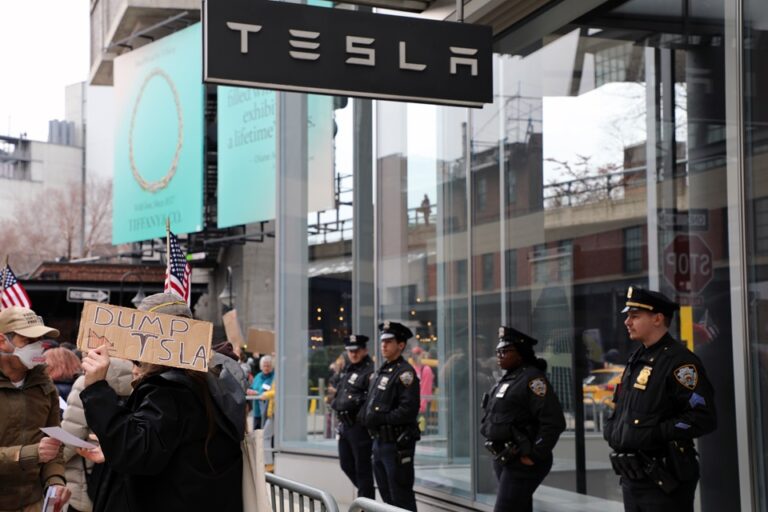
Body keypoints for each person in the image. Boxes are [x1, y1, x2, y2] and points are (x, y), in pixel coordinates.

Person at [77, 293, 244, 512]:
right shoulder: (209, 382)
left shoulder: (171, 391)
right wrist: (113, 448)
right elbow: (165, 447)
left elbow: (136, 451)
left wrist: (97, 389)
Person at [604, 287, 717, 512]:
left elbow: (702, 417)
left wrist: (655, 433)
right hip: (633, 477)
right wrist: (612, 428)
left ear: (657, 318)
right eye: (628, 316)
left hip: (663, 478)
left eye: (635, 316)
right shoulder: (637, 358)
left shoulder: (680, 362)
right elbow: (623, 406)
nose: (627, 321)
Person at [480, 326, 565, 512]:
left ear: (520, 353)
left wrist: (535, 454)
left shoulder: (533, 380)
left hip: (522, 460)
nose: (499, 356)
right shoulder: (508, 379)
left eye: (505, 351)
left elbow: (554, 421)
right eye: (498, 351)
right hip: (504, 458)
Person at [0, 306, 71, 511]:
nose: (38, 347)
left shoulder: (44, 385)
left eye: (39, 340)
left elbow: (54, 444)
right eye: (29, 341)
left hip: (31, 503)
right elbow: (40, 451)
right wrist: (29, 453)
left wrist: (56, 481)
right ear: (3, 341)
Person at [361, 321, 420, 511]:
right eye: (382, 341)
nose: (383, 345)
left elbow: (408, 410)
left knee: (401, 496)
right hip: (379, 442)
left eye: (389, 341)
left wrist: (382, 419)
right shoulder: (382, 371)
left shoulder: (405, 373)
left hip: (396, 444)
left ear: (401, 345)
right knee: (387, 497)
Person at [61, 357, 133, 512]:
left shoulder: (87, 381)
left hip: (84, 486)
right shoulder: (138, 379)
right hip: (119, 487)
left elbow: (70, 440)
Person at [330, 334, 375, 499]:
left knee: (362, 468)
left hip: (359, 427)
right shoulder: (349, 368)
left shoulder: (370, 370)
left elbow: (370, 399)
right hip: (345, 426)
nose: (353, 354)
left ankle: (366, 501)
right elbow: (339, 391)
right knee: (346, 464)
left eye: (357, 351)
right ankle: (366, 495)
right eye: (350, 351)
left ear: (364, 350)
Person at [247, 355, 275, 430]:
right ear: (261, 366)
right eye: (264, 366)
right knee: (256, 432)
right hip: (256, 410)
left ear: (271, 366)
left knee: (266, 433)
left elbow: (272, 391)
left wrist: (257, 393)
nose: (266, 368)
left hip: (268, 411)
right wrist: (250, 391)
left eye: (268, 366)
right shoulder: (258, 376)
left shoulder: (274, 377)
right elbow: (252, 387)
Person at [410, 346, 434, 431]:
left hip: (421, 406)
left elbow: (426, 389)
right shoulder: (410, 369)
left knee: (421, 429)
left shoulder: (426, 369)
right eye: (413, 354)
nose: (415, 356)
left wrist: (422, 406)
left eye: (417, 354)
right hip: (411, 405)